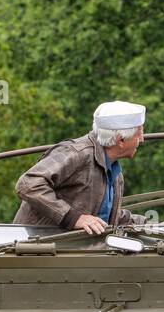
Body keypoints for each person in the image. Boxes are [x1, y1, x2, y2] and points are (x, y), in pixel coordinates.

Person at [14, 100, 149, 233]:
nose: (142, 140)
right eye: (139, 133)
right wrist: (73, 218)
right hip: (36, 248)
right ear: (121, 140)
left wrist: (153, 225)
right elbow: (28, 184)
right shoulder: (76, 153)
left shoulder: (114, 170)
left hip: (75, 248)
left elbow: (107, 217)